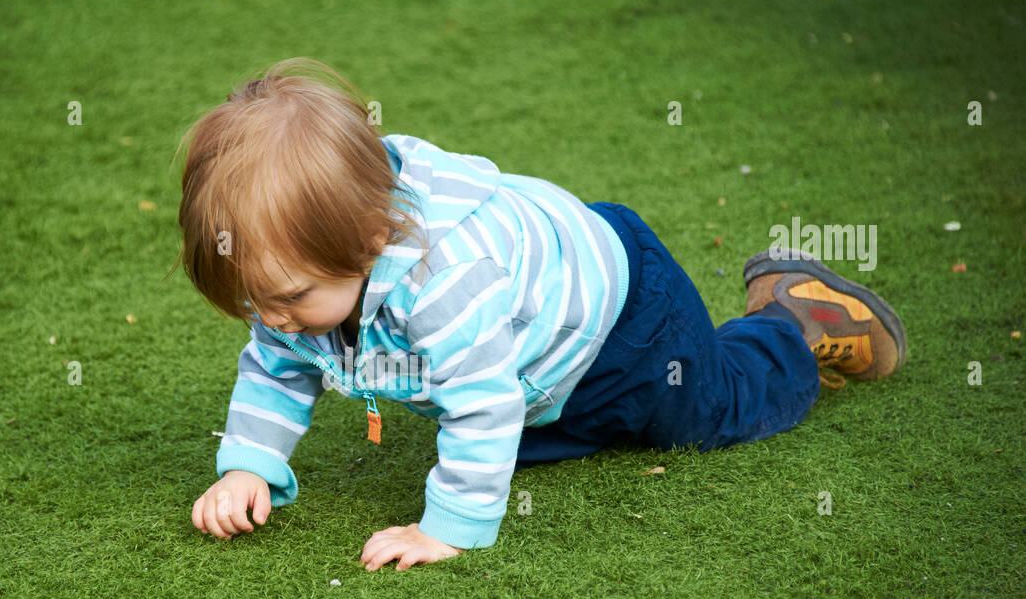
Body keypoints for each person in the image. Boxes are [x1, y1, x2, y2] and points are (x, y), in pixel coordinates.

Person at [170, 58, 907, 571]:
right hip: (536, 339)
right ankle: (575, 406)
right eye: (253, 300)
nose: (274, 318)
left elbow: (485, 401)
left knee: (702, 410)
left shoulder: (443, 280)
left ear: (369, 239)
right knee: (529, 441)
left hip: (623, 320)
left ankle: (790, 321)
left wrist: (446, 530)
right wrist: (247, 467)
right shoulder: (294, 274)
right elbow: (276, 364)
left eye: (291, 299)